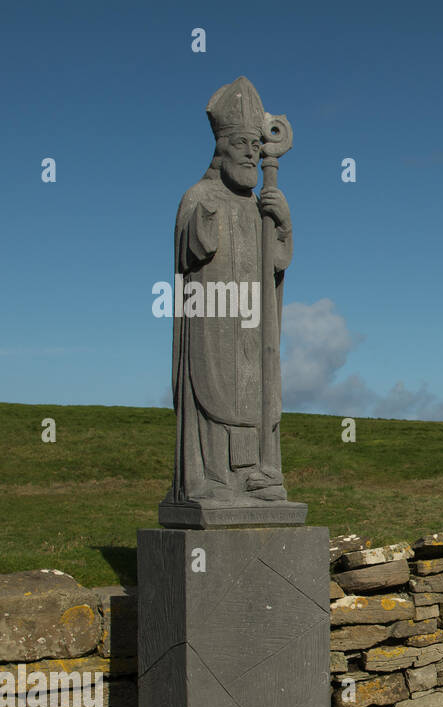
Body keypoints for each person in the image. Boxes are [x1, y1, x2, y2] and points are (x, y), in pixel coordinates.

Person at [166, 76, 292, 507]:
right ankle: (210, 479)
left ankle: (262, 475)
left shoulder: (259, 206)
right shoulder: (199, 194)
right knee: (214, 388)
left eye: (256, 146)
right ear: (221, 149)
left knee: (259, 391)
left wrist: (283, 225)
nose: (252, 154)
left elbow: (276, 265)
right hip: (213, 319)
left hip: (254, 324)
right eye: (242, 144)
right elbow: (189, 252)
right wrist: (203, 223)